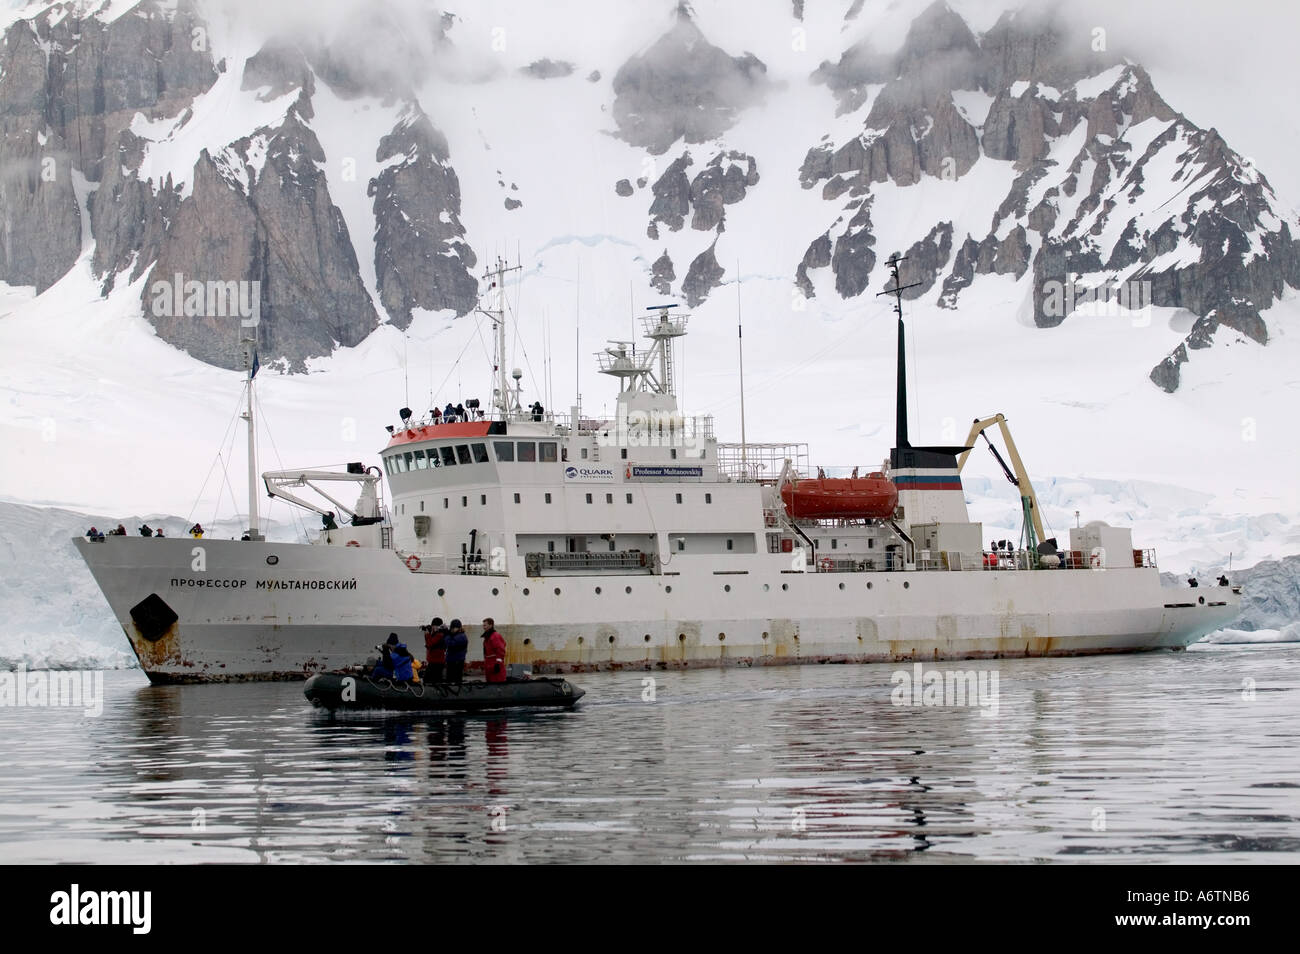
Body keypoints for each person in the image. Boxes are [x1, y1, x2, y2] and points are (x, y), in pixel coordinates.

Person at [423, 616, 448, 683]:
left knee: (430, 680)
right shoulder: (437, 633)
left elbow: (430, 643)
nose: (433, 628)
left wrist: (427, 634)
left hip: (436, 661)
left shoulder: (440, 634)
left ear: (438, 626)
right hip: (435, 661)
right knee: (433, 679)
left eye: (434, 626)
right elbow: (429, 644)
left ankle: (437, 692)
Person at [481, 618, 507, 684]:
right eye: (483, 625)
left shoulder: (495, 636)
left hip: (494, 664)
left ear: (491, 625)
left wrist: (498, 664)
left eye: (485, 625)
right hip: (489, 664)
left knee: (497, 681)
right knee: (490, 682)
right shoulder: (488, 636)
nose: (483, 627)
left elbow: (501, 650)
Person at [445, 619, 468, 684]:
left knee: (454, 680)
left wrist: (447, 635)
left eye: (454, 628)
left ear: (459, 628)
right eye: (451, 628)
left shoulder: (461, 636)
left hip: (456, 661)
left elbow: (450, 644)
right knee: (452, 680)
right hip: (454, 660)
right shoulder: (457, 635)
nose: (452, 629)